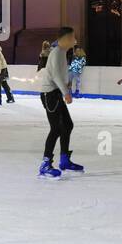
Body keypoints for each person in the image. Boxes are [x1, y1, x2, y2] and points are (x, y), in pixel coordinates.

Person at [38, 27, 81, 177]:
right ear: (65, 38)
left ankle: (64, 160)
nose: (74, 40)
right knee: (55, 129)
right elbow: (55, 75)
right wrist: (66, 93)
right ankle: (45, 164)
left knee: (67, 125)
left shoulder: (62, 52)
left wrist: (66, 83)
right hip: (50, 94)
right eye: (72, 37)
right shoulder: (56, 53)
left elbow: (59, 74)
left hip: (55, 93)